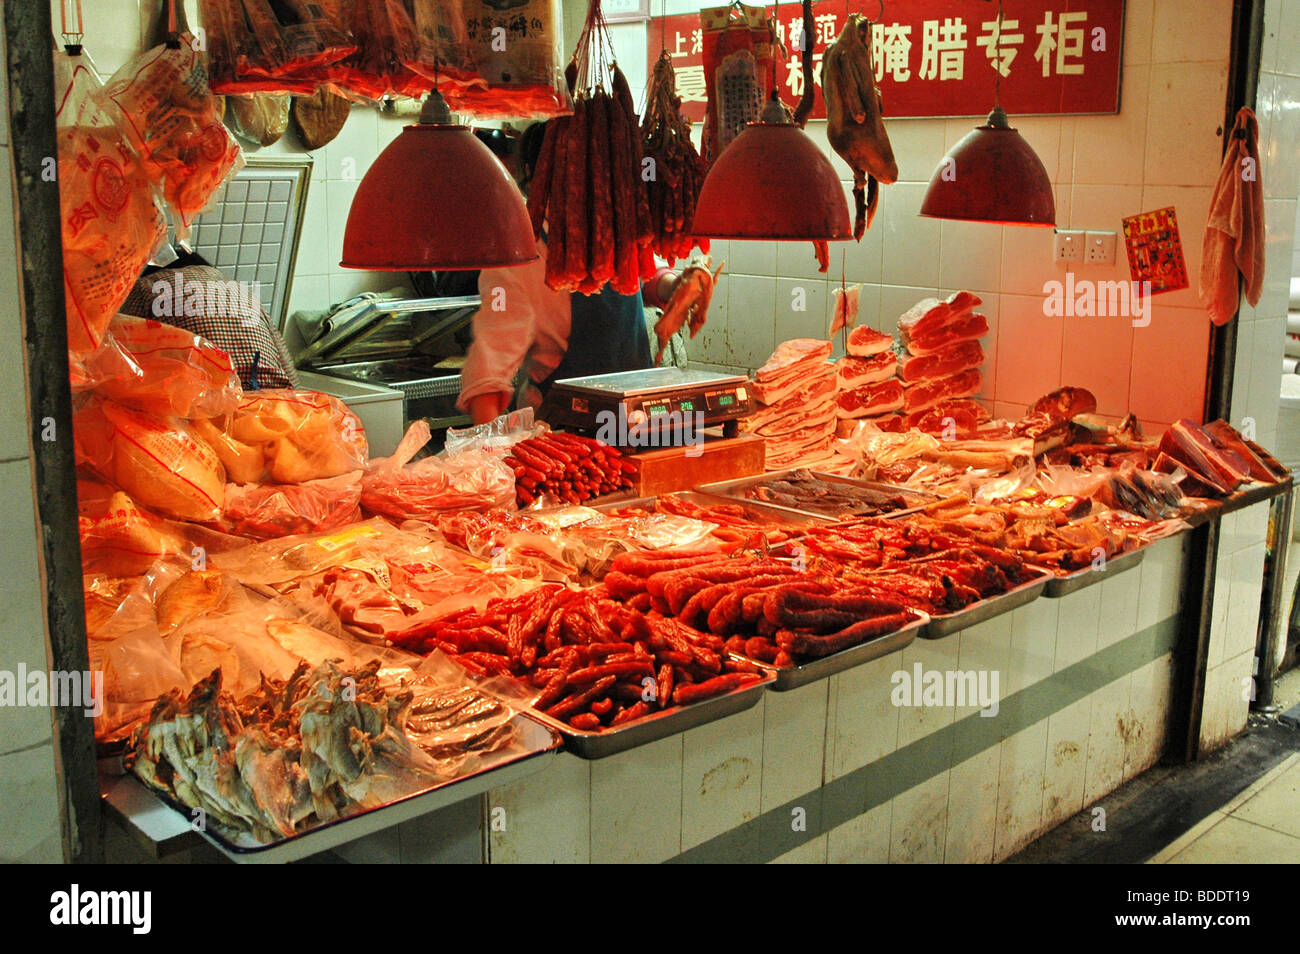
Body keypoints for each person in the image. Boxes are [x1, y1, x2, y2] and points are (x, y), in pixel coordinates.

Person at [457, 122, 654, 425]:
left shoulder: (615, 229)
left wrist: (673, 285)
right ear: (540, 173)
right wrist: (489, 455)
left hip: (643, 424)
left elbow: (641, 280)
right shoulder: (519, 256)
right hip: (564, 437)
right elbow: (490, 361)